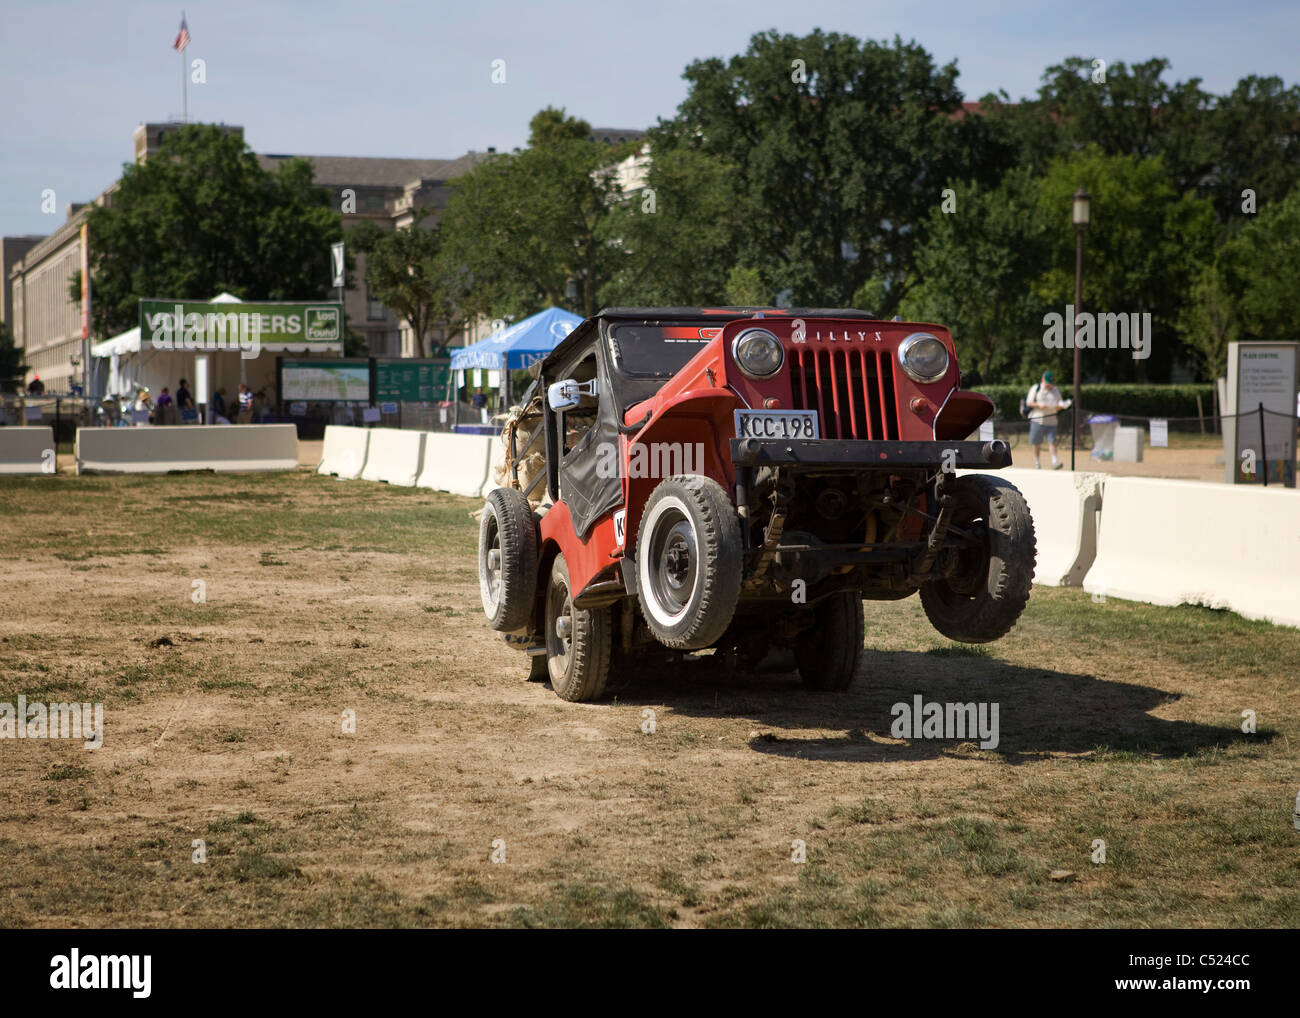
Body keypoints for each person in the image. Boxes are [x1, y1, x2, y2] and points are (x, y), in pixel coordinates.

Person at [1026, 370, 1071, 470]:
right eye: (1047, 382)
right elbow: (1028, 403)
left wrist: (1062, 406)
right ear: (1043, 379)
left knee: (1052, 441)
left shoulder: (1055, 390)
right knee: (1036, 443)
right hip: (1037, 419)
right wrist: (1039, 405)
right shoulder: (1036, 388)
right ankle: (1037, 462)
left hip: (1052, 420)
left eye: (1050, 383)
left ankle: (1054, 462)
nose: (1049, 385)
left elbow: (1059, 403)